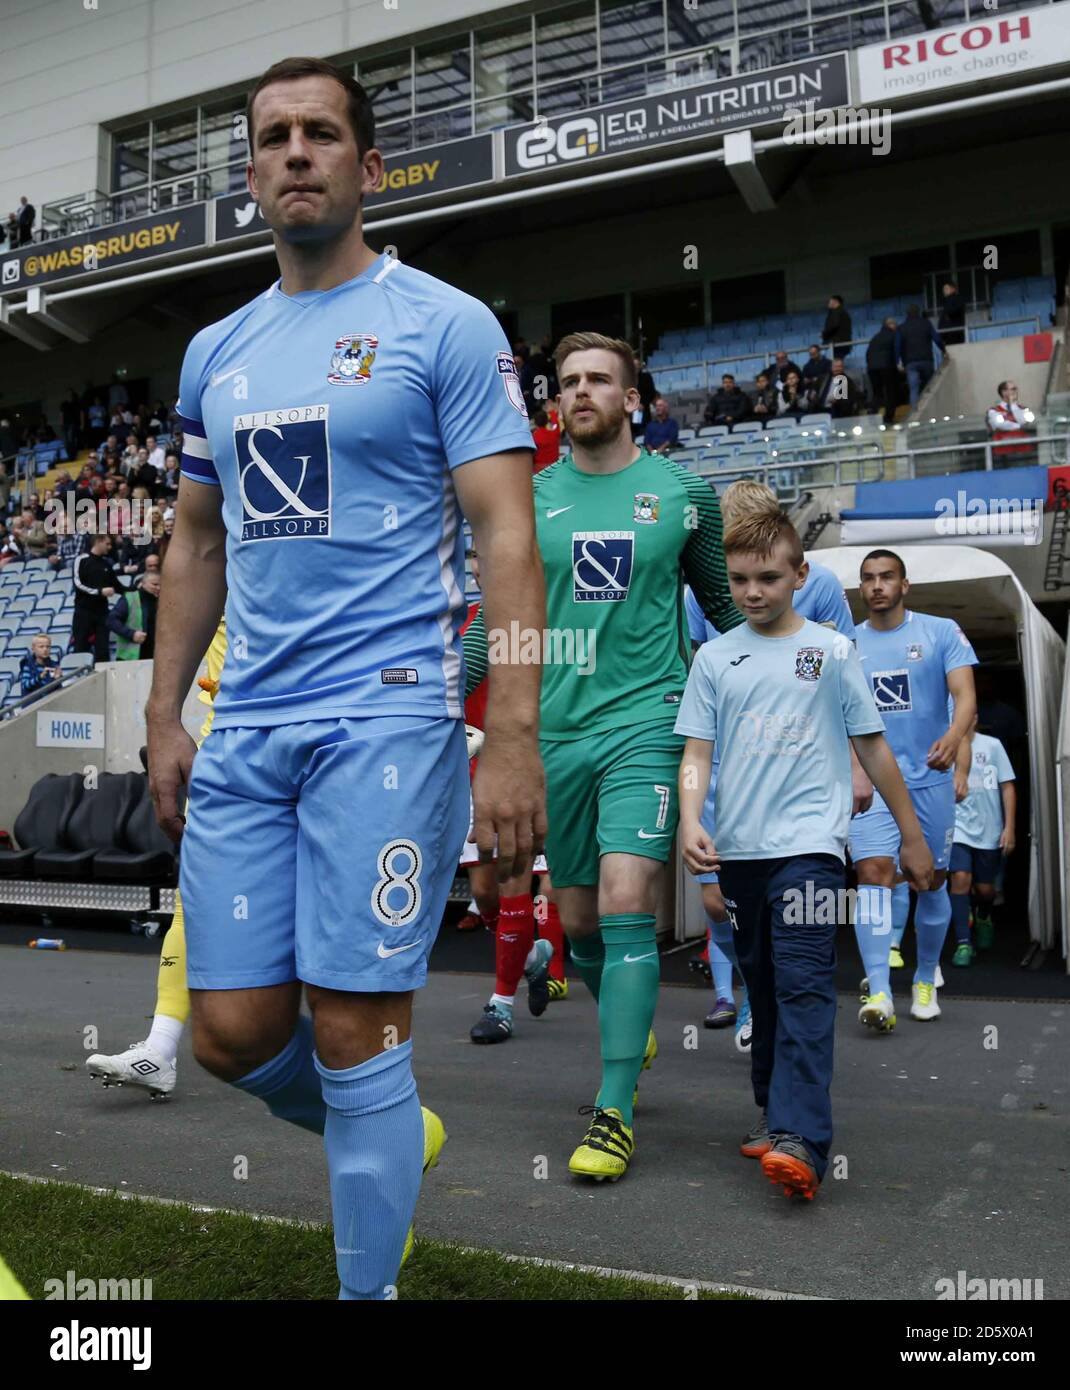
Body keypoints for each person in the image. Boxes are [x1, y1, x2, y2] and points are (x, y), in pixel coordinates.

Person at [146, 56, 544, 1303]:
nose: (297, 153)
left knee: (351, 1028)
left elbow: (508, 538)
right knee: (227, 1035)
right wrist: (164, 712)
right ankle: (391, 1134)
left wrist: (514, 730)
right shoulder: (216, 350)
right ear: (252, 174)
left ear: (367, 169)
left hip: (387, 714)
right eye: (275, 137)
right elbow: (197, 541)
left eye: (322, 134)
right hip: (248, 721)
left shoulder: (445, 323)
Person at [462, 331, 742, 1182]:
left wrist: (804, 674)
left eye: (599, 380)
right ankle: (630, 1028)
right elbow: (493, 624)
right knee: (578, 926)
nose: (581, 391)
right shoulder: (529, 498)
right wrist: (437, 696)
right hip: (556, 733)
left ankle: (613, 1108)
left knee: (625, 901)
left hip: (648, 720)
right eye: (568, 382)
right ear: (556, 403)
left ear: (633, 398)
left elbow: (727, 608)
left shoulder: (684, 494)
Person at [676, 507, 933, 1201]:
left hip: (811, 852)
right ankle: (773, 1114)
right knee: (762, 987)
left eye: (767, 577)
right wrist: (691, 818)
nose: (753, 591)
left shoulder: (832, 651)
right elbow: (696, 753)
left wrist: (909, 834)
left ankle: (804, 1140)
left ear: (799, 575)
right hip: (738, 855)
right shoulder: (713, 657)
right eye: (738, 580)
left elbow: (872, 746)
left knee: (803, 983)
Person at [87, 621, 228, 1101]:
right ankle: (160, 1050)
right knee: (193, 902)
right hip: (227, 749)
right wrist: (162, 718)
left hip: (329, 741)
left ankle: (362, 1072)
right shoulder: (218, 555)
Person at [848, 549, 977, 1029]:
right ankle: (879, 992)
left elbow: (964, 695)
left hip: (929, 778)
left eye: (886, 577)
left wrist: (954, 734)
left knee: (930, 882)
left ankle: (924, 975)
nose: (877, 585)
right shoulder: (846, 643)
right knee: (875, 873)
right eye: (868, 579)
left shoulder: (940, 631)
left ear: (905, 585)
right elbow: (836, 715)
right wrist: (853, 769)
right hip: (873, 784)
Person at [462, 544, 566, 1041]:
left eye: (490, 553)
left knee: (514, 883)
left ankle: (500, 1004)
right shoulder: (465, 622)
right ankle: (531, 955)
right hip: (471, 776)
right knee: (483, 893)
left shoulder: (546, 620)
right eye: (476, 555)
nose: (482, 564)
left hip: (525, 771)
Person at [948, 714, 1015, 964]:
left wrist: (1010, 826)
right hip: (958, 827)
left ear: (975, 719)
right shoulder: (946, 746)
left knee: (985, 890)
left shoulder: (992, 746)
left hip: (989, 828)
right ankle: (963, 943)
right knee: (960, 879)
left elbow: (1007, 786)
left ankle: (983, 914)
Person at [72, 533, 119, 663]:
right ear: (98, 541)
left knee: (103, 649)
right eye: (107, 544)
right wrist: (99, 592)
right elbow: (78, 583)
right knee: (80, 647)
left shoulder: (106, 564)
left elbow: (117, 586)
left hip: (102, 612)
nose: (110, 547)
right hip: (83, 612)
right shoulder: (82, 559)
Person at [895, 305, 947, 406]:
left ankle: (915, 414)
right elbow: (936, 339)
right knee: (930, 387)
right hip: (926, 360)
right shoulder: (926, 323)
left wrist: (898, 361)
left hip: (910, 362)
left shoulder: (901, 328)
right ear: (918, 312)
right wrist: (944, 350)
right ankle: (933, 408)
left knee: (913, 389)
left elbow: (897, 345)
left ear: (907, 314)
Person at [108, 569, 160, 660]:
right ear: (143, 583)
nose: (158, 588)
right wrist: (132, 634)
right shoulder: (130, 598)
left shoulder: (164, 601)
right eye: (154, 584)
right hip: (130, 658)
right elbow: (111, 620)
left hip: (157, 656)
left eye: (161, 585)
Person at [986, 380, 1036, 464]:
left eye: (1015, 389)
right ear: (1003, 392)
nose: (1015, 391)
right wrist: (1019, 426)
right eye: (1012, 389)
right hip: (1003, 451)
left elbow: (1030, 422)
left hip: (1023, 449)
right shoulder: (994, 410)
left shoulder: (1022, 408)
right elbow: (999, 425)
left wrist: (1012, 420)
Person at [866, 317, 900, 420]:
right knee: (890, 392)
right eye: (895, 325)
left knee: (877, 393)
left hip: (872, 368)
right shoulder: (894, 335)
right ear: (891, 325)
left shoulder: (875, 337)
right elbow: (897, 350)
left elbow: (868, 353)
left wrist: (871, 365)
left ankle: (872, 410)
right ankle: (888, 417)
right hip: (887, 366)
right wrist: (898, 364)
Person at [19, 633, 62, 703]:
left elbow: (56, 690)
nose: (45, 649)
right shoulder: (27, 665)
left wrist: (57, 680)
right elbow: (25, 685)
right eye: (41, 647)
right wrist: (39, 677)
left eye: (48, 647)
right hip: (32, 707)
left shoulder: (54, 665)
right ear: (33, 648)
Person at [631, 354, 657, 439]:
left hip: (644, 410)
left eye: (637, 365)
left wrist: (643, 404)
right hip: (631, 413)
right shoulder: (626, 380)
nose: (635, 368)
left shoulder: (646, 377)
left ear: (640, 366)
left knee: (647, 433)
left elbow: (651, 393)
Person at [531, 407, 561, 472]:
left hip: (539, 469)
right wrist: (552, 412)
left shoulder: (533, 437)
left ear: (535, 423)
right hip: (554, 467)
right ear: (547, 421)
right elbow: (556, 423)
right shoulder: (555, 433)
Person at [822, 294, 852, 359]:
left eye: (830, 301)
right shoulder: (843, 312)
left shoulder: (836, 312)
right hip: (843, 343)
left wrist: (824, 334)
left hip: (837, 343)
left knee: (836, 363)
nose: (828, 303)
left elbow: (834, 325)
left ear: (835, 302)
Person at [938, 281, 966, 346]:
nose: (944, 291)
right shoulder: (947, 302)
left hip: (955, 336)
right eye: (943, 289)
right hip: (948, 336)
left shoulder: (957, 299)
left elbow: (951, 312)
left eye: (946, 289)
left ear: (953, 289)